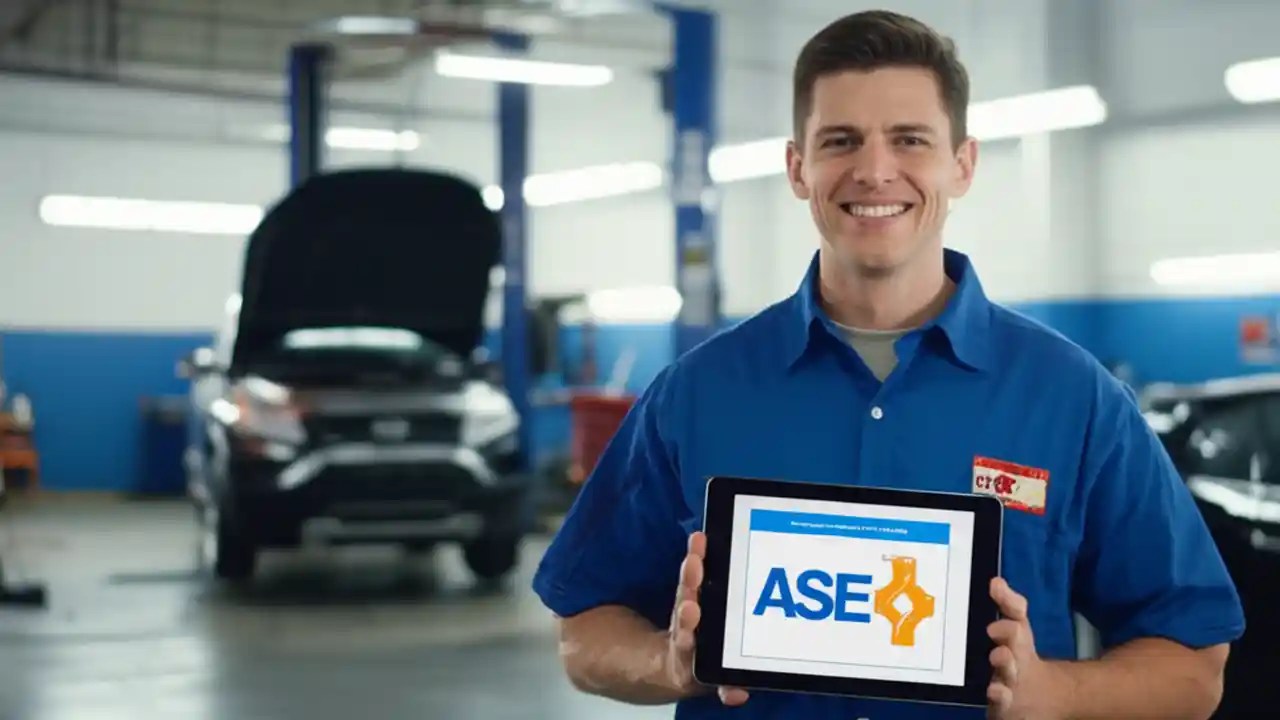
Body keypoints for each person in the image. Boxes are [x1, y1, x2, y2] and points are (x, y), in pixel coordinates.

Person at [532, 9, 1244, 719]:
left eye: (910, 139)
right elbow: (584, 629)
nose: (875, 171)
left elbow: (1193, 665)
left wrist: (1054, 692)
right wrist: (668, 663)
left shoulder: (1073, 398)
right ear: (797, 167)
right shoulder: (696, 393)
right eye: (840, 141)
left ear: (961, 164)